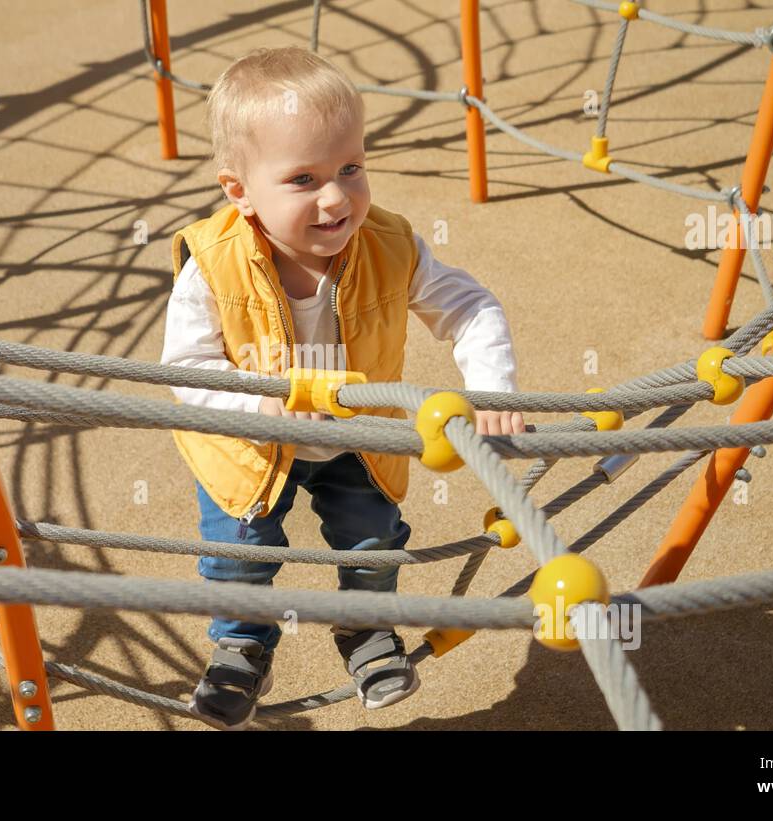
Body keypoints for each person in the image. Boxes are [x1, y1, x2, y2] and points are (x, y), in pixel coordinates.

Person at [159, 46, 525, 730]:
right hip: (250, 444)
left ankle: (364, 627)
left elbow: (470, 307)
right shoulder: (210, 266)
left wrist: (493, 388)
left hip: (357, 434)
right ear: (239, 191)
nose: (336, 197)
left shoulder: (391, 245)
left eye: (350, 168)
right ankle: (241, 643)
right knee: (240, 553)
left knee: (371, 539)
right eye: (303, 178)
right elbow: (185, 369)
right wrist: (254, 402)